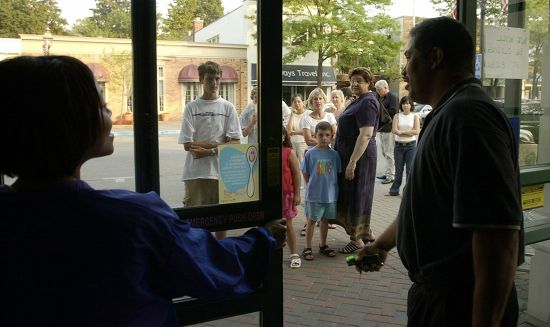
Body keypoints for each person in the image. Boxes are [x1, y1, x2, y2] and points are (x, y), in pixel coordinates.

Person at [0, 55, 287, 326]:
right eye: (101, 105)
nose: (110, 110)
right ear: (68, 124)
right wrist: (265, 237)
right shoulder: (134, 218)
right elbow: (211, 268)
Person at [356, 17, 524, 327]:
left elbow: (498, 237)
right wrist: (382, 244)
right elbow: (421, 205)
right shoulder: (449, 111)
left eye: (409, 57)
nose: (404, 71)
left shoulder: (468, 117)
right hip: (438, 299)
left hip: (456, 306)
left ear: (434, 57)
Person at [178, 61, 242, 240]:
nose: (214, 83)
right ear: (201, 80)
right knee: (196, 222)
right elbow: (187, 144)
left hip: (221, 173)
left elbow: (236, 143)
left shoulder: (228, 108)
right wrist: (220, 144)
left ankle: (219, 253)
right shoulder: (192, 107)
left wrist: (208, 150)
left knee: (222, 219)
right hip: (195, 174)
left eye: (217, 79)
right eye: (209, 79)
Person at [334, 67, 380, 254]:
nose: (354, 84)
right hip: (351, 155)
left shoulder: (367, 102)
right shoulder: (358, 100)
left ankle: (358, 240)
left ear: (368, 82)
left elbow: (366, 134)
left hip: (360, 158)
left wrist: (353, 162)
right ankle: (364, 233)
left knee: (357, 196)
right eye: (352, 80)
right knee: (356, 194)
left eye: (359, 80)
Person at [300, 121, 341, 261]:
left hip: (330, 195)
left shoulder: (334, 155)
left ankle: (323, 245)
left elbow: (337, 173)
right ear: (315, 135)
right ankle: (307, 247)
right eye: (321, 135)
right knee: (311, 220)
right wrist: (312, 185)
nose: (324, 138)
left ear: (331, 137)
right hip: (314, 195)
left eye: (327, 135)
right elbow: (305, 173)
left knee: (325, 220)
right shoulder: (310, 154)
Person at [386, 96, 420, 196]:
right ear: (401, 105)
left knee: (409, 170)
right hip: (398, 147)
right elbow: (394, 130)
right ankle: (394, 190)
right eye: (404, 103)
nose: (406, 105)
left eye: (408, 103)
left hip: (411, 146)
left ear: (411, 105)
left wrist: (402, 132)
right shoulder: (397, 116)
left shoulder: (415, 116)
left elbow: (416, 131)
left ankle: (407, 191)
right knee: (398, 170)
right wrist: (408, 132)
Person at [282, 126, 302, 268]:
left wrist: (297, 193)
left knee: (288, 225)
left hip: (286, 195)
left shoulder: (289, 152)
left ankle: (294, 253)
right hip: (270, 196)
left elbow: (296, 174)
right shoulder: (263, 151)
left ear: (284, 136)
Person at [374, 79, 398, 185]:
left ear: (385, 87)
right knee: (384, 153)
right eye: (377, 90)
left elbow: (394, 112)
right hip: (382, 129)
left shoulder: (392, 97)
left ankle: (390, 175)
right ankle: (387, 172)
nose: (378, 91)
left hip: (389, 129)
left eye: (379, 89)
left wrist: (381, 113)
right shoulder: (381, 98)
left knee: (389, 153)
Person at [286, 93, 310, 165]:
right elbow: (288, 131)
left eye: (299, 101)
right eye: (294, 102)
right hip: (292, 144)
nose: (297, 103)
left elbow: (309, 131)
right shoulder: (290, 115)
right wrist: (292, 115)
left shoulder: (308, 113)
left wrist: (295, 132)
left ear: (303, 103)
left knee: (303, 165)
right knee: (293, 165)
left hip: (304, 143)